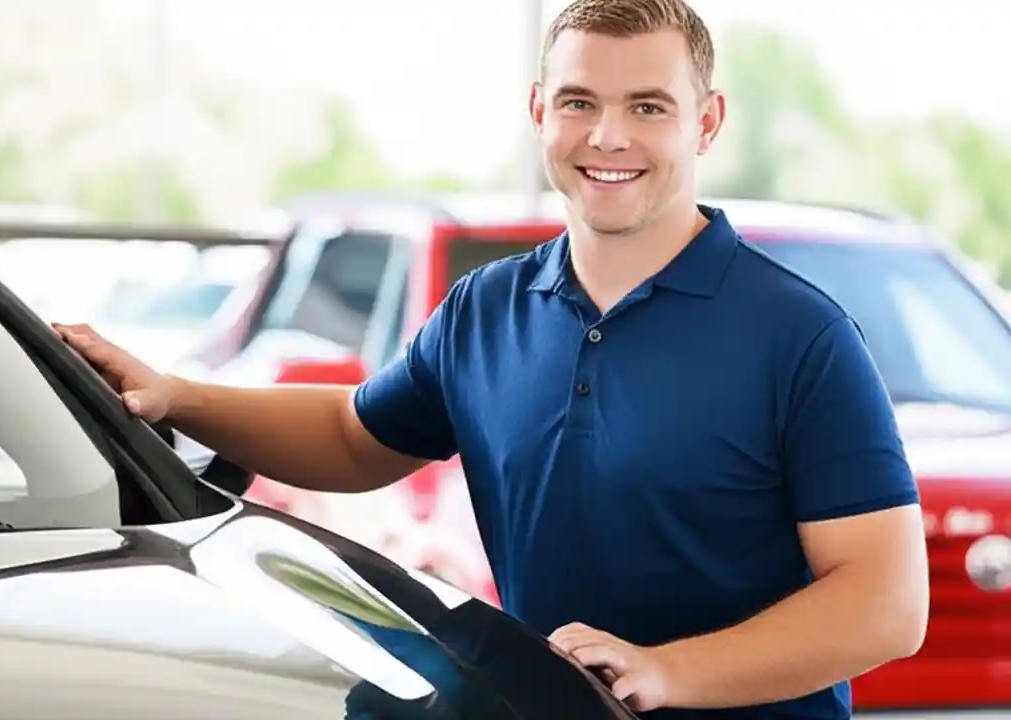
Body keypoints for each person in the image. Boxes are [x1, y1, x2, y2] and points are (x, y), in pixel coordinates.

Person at [55, 0, 929, 716]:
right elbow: (356, 436)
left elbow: (886, 606)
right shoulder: (486, 308)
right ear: (540, 111)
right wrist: (174, 395)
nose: (608, 136)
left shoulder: (799, 336)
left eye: (648, 107)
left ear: (707, 121)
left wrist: (667, 672)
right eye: (581, 101)